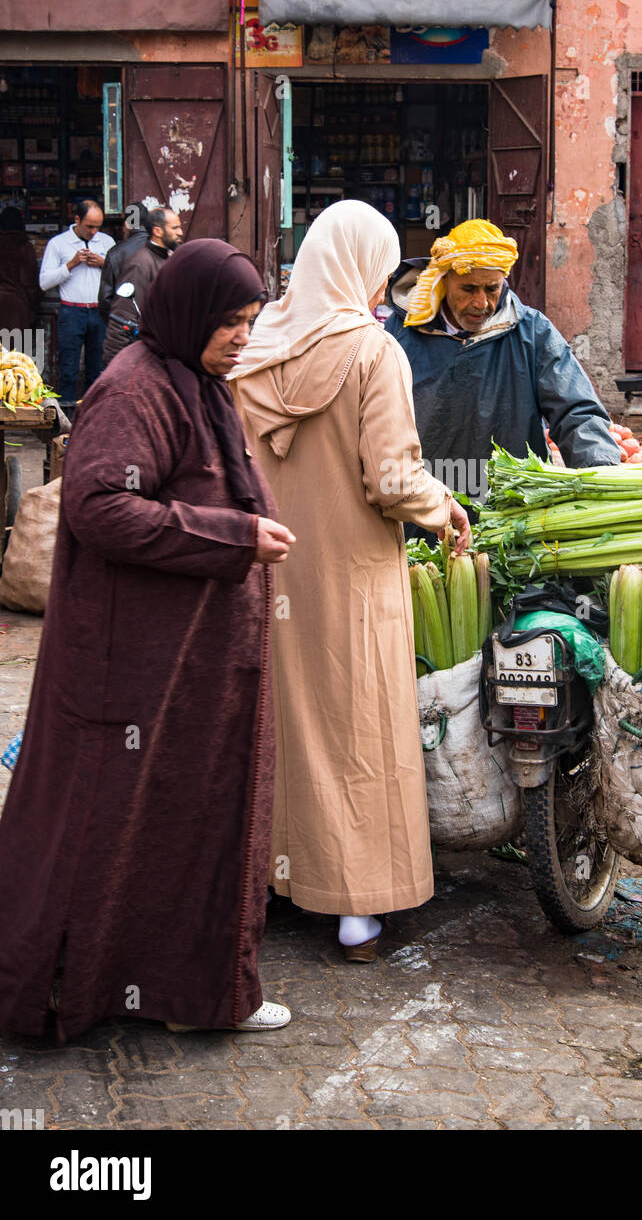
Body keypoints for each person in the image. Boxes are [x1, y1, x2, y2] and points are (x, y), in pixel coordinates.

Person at [0, 239, 295, 1040]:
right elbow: (98, 508)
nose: (242, 336)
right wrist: (229, 535)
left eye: (250, 321)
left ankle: (191, 993)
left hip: (189, 664)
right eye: (230, 321)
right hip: (132, 669)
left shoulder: (195, 381)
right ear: (187, 311)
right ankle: (69, 985)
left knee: (191, 818)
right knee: (109, 821)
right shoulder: (133, 390)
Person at [231, 200, 471, 963]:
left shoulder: (253, 346)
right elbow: (393, 480)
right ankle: (357, 912)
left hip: (262, 567)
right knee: (357, 726)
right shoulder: (373, 352)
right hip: (351, 576)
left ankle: (266, 882)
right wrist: (443, 507)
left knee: (274, 722)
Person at [385, 219, 619, 510]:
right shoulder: (400, 334)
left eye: (492, 289)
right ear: (443, 281)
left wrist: (604, 474)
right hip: (425, 510)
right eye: (468, 289)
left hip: (513, 509)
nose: (481, 302)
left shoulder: (532, 332)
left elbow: (577, 411)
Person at [39, 199, 114, 402]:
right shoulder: (58, 243)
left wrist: (104, 263)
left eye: (98, 227)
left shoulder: (107, 243)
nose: (94, 232)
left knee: (98, 371)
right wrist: (70, 265)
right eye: (89, 226)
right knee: (68, 371)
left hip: (99, 312)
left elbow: (122, 276)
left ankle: (92, 423)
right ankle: (65, 424)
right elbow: (44, 282)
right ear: (77, 219)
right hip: (71, 312)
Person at [100, 206, 184, 366]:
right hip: (141, 360)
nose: (180, 232)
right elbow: (122, 317)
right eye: (175, 228)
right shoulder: (141, 264)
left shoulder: (167, 258)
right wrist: (116, 367)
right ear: (158, 231)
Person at [97, 201, 150, 316]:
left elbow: (105, 300)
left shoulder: (115, 253)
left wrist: (116, 323)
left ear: (126, 224)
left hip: (125, 323)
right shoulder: (159, 247)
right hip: (157, 323)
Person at [0, 206, 40, 338]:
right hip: (16, 307)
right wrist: (34, 305)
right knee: (16, 352)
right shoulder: (24, 246)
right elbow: (29, 281)